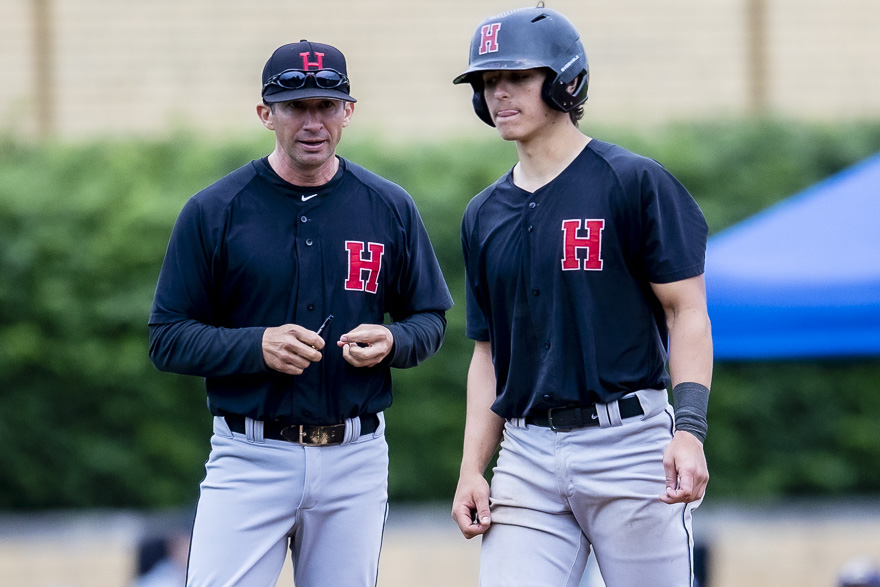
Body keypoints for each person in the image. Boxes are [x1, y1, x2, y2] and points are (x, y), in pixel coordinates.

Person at [149, 40, 453, 586]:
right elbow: (167, 337)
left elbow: (430, 318)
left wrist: (395, 340)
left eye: (326, 106)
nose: (312, 122)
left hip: (354, 457)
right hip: (249, 454)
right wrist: (254, 345)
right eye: (295, 107)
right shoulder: (214, 210)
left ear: (348, 112)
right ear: (266, 113)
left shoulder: (389, 206)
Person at [450, 6, 712, 587]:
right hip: (526, 453)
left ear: (565, 80)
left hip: (630, 445)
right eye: (488, 81)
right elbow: (488, 354)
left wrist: (689, 431)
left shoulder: (634, 181)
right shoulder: (482, 214)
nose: (499, 93)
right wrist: (472, 468)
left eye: (517, 76)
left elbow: (686, 311)